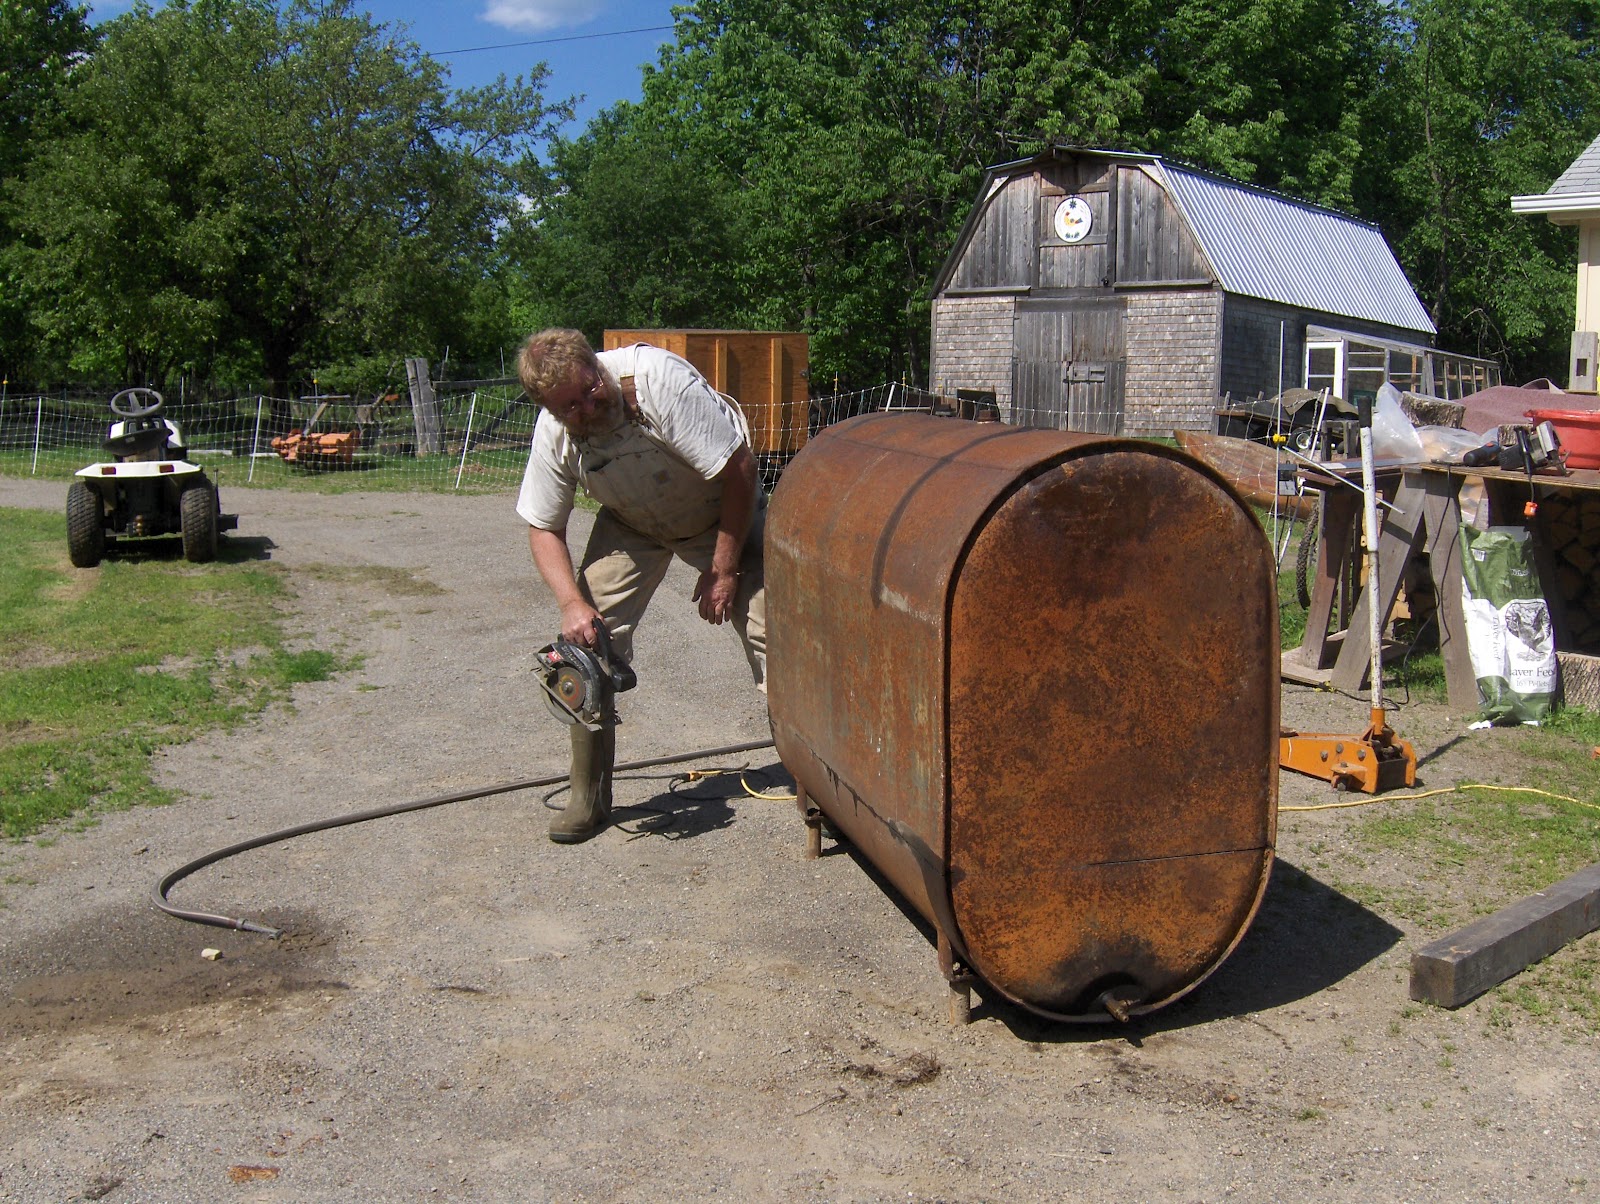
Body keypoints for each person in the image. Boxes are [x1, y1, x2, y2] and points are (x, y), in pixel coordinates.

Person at [515, 328, 767, 844]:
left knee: (777, 631)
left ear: (594, 364)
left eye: (590, 391)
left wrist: (724, 568)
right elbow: (543, 527)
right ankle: (588, 798)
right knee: (581, 654)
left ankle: (821, 785)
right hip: (633, 524)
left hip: (720, 513)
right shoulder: (555, 430)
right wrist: (571, 603)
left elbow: (739, 467)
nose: (587, 408)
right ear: (547, 406)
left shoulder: (656, 381)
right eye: (570, 407)